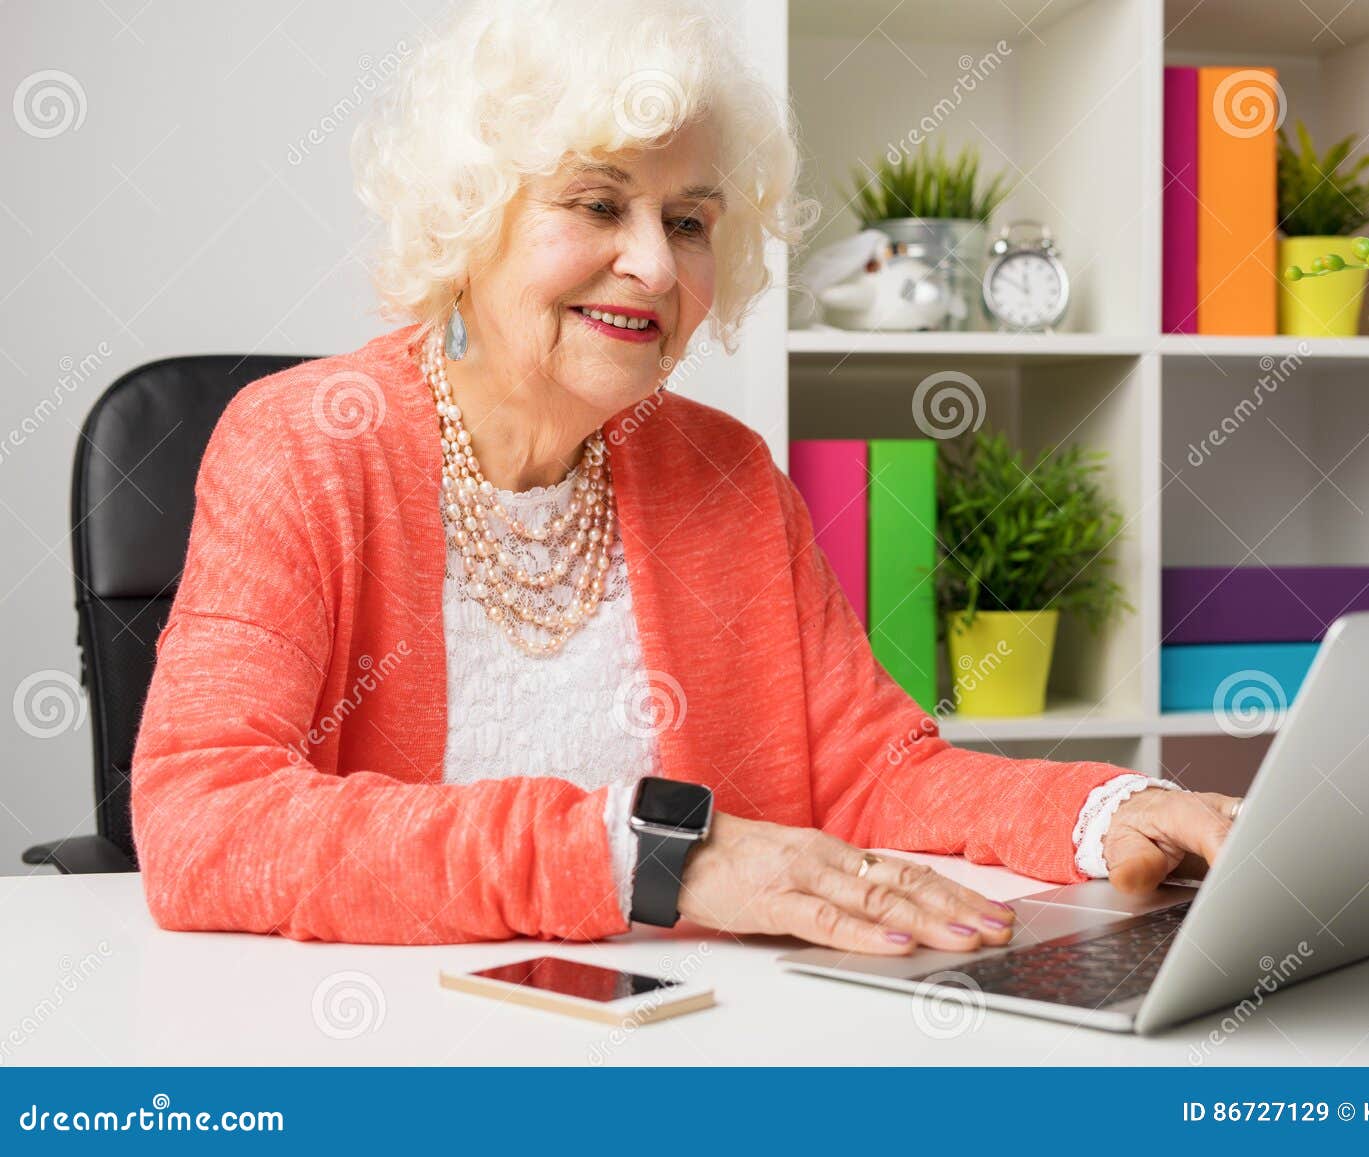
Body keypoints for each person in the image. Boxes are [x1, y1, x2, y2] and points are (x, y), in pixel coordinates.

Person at [130, 0, 1239, 951]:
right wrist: (647, 855)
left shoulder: (725, 471)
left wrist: (1107, 808)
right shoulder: (304, 444)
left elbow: (869, 774)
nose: (655, 265)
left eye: (690, 221)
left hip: (685, 1031)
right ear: (471, 219)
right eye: (599, 204)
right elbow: (203, 821)